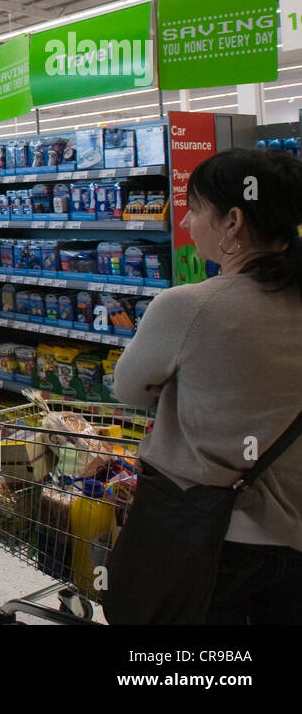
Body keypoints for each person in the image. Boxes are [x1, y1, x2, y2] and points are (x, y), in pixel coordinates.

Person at [113, 148, 302, 624]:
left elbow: (128, 390)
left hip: (216, 537)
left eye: (195, 208)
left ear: (232, 221)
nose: (186, 221)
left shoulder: (188, 307)